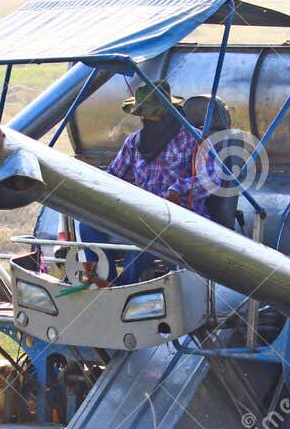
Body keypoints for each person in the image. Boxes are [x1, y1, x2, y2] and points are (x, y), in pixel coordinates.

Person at [77, 81, 221, 284]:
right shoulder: (135, 142)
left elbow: (213, 177)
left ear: (165, 114)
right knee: (88, 225)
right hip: (143, 215)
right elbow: (114, 177)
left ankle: (123, 288)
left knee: (146, 239)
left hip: (181, 221)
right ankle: (103, 281)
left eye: (149, 115)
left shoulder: (192, 139)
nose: (144, 119)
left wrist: (177, 191)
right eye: (142, 115)